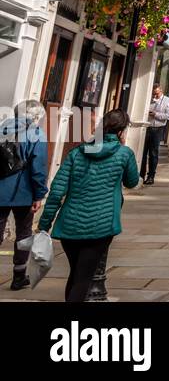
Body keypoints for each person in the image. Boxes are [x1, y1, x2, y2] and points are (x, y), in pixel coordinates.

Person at [38, 108, 139, 302]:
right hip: (101, 226)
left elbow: (57, 191)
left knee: (76, 275)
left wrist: (44, 224)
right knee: (83, 279)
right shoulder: (124, 153)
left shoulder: (77, 152)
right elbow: (132, 181)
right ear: (121, 131)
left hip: (70, 225)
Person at [0, 101, 48, 290]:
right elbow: (38, 169)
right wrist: (39, 194)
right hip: (23, 191)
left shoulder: (1, 128)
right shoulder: (36, 134)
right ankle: (19, 276)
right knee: (24, 233)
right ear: (36, 117)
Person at [139, 84, 169, 185]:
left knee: (153, 153)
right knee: (143, 152)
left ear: (161, 91)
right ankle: (141, 174)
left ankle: (151, 176)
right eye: (154, 94)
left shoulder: (167, 100)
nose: (155, 96)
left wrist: (156, 114)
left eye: (157, 94)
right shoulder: (149, 99)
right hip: (147, 127)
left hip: (158, 128)